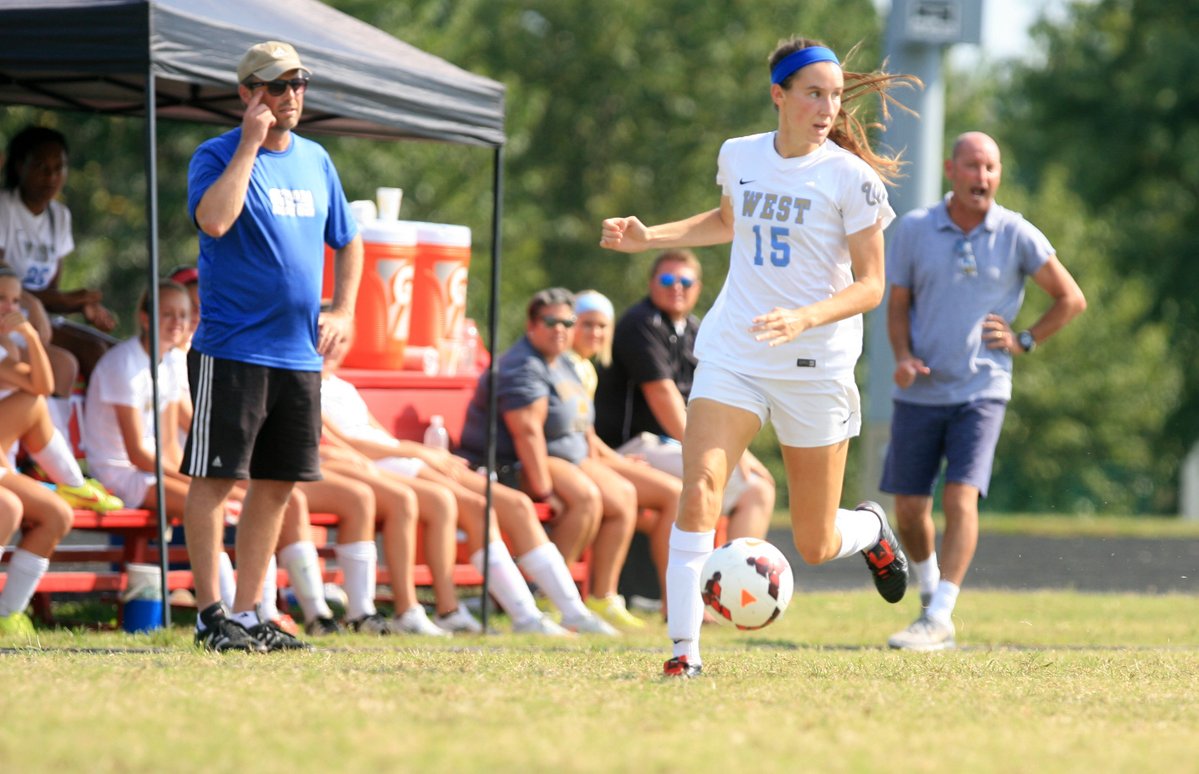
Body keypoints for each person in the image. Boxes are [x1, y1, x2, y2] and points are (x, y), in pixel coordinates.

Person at [599, 37, 917, 677]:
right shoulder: (739, 154)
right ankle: (683, 654)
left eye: (834, 96)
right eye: (813, 94)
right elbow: (727, 220)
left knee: (815, 541)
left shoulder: (850, 178)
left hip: (815, 367)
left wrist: (805, 316)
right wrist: (650, 238)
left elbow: (871, 285)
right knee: (700, 489)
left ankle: (869, 531)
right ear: (779, 95)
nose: (827, 108)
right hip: (736, 353)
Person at [183, 40, 363, 652]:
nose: (291, 96)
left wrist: (344, 310)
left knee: (278, 484)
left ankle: (249, 612)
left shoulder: (317, 159)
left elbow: (349, 238)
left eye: (298, 83)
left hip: (298, 355)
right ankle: (209, 615)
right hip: (232, 349)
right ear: (247, 93)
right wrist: (249, 146)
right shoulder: (216, 154)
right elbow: (214, 220)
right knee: (214, 479)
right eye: (277, 85)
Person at [881, 132, 1087, 651]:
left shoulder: (1015, 232)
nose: (983, 176)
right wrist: (902, 357)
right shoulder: (915, 229)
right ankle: (930, 594)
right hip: (921, 390)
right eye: (973, 166)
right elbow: (897, 305)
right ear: (950, 170)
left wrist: (1024, 340)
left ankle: (940, 615)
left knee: (960, 497)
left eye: (991, 167)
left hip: (983, 389)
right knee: (908, 509)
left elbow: (1070, 297)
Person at [320, 333, 608, 636]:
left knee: (517, 504)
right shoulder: (308, 385)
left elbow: (381, 436)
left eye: (341, 340)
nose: (332, 347)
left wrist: (425, 454)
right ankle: (509, 614)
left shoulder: (344, 387)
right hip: (381, 466)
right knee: (473, 506)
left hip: (404, 458)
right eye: (324, 338)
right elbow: (346, 444)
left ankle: (572, 610)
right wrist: (419, 451)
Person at [459, 288, 633, 635]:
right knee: (585, 497)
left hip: (563, 456)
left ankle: (590, 595)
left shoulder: (564, 361)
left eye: (567, 322)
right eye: (550, 321)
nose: (560, 329)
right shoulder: (522, 366)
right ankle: (547, 596)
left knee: (623, 495)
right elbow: (527, 434)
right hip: (505, 466)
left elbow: (581, 424)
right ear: (531, 325)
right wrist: (544, 491)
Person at [592, 251, 777, 568]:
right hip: (631, 447)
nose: (676, 287)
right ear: (651, 283)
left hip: (671, 445)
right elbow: (663, 397)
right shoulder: (640, 323)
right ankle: (696, 588)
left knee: (759, 486)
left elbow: (713, 403)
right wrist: (712, 453)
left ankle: (736, 583)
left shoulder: (694, 329)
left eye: (685, 281)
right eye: (667, 279)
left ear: (697, 287)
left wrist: (739, 452)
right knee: (726, 485)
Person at [566, 289, 681, 623]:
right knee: (655, 495)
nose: (595, 333)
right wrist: (617, 464)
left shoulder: (585, 369)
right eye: (587, 324)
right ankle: (609, 595)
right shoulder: (566, 367)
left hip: (587, 457)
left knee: (673, 495)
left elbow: (588, 437)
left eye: (602, 326)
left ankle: (670, 601)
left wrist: (619, 463)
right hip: (568, 462)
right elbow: (578, 442)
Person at [0, 126, 117, 380]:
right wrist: (37, 302)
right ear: (20, 167)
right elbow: (3, 283)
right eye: (41, 166)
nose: (51, 176)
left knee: (115, 352)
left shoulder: (59, 216)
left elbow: (51, 293)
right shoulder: (5, 207)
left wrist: (80, 305)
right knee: (91, 353)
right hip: (9, 317)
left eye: (59, 167)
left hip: (39, 316)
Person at [0, 266, 121, 512]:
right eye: (1, 299)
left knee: (58, 517)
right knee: (32, 402)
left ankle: (72, 483)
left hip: (7, 457)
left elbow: (44, 386)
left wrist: (31, 336)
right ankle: (73, 483)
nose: (10, 308)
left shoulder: (6, 345)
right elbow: (41, 390)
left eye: (15, 301)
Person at [83, 280, 192, 516]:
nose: (177, 322)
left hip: (150, 469)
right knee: (206, 504)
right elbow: (136, 454)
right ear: (146, 319)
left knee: (223, 498)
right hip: (117, 472)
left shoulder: (171, 362)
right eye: (167, 314)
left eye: (183, 315)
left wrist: (194, 481)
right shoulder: (123, 363)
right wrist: (193, 483)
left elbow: (169, 444)